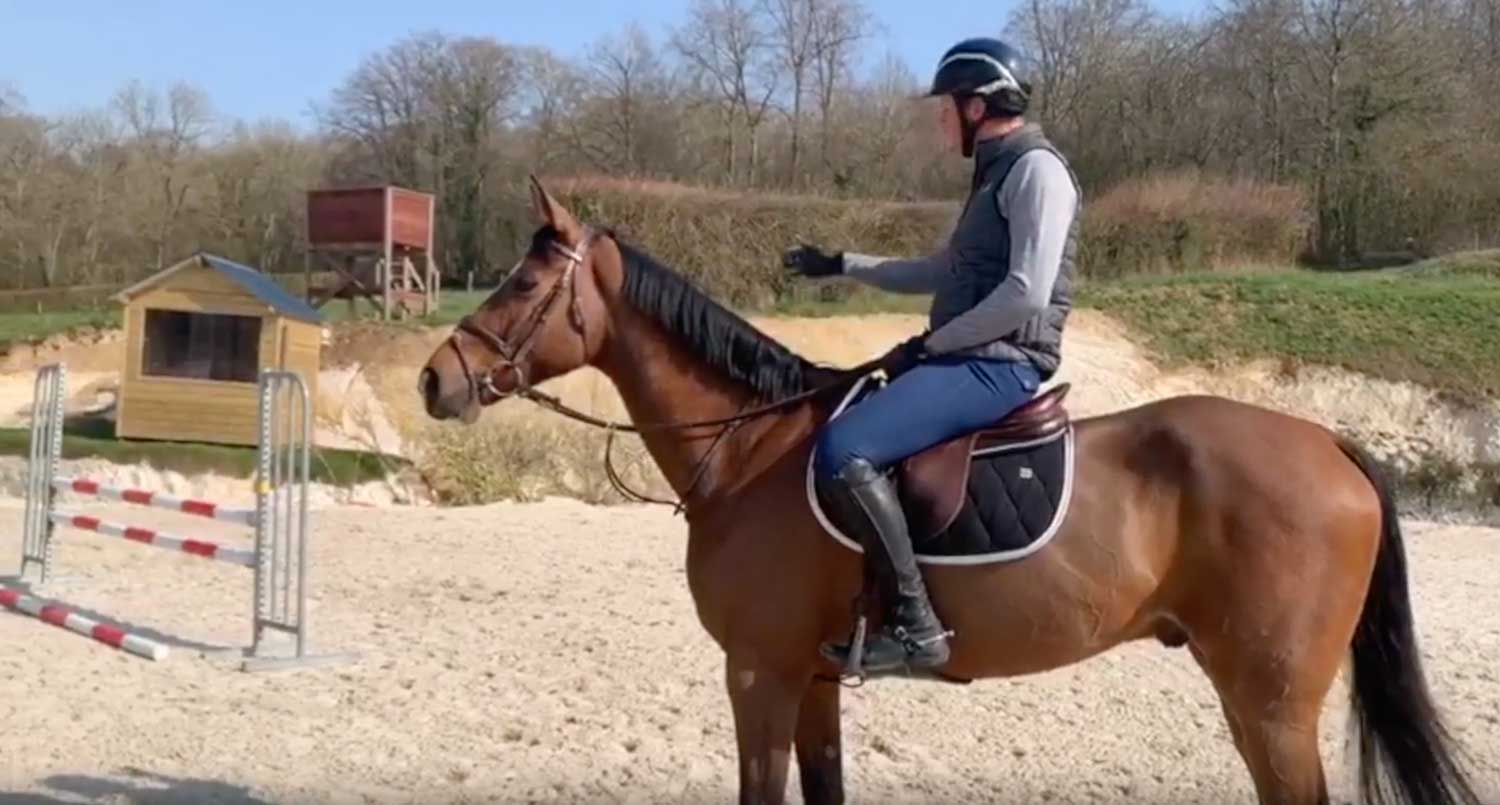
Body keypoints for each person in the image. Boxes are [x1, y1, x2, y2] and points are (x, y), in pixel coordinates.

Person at [784, 37, 1082, 676]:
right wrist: (841, 265)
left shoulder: (1037, 172)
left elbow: (1025, 295)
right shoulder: (996, 176)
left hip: (1000, 363)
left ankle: (917, 625)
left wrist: (932, 344)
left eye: (945, 108)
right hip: (969, 355)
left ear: (976, 106)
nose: (940, 120)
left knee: (842, 453)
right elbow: (941, 270)